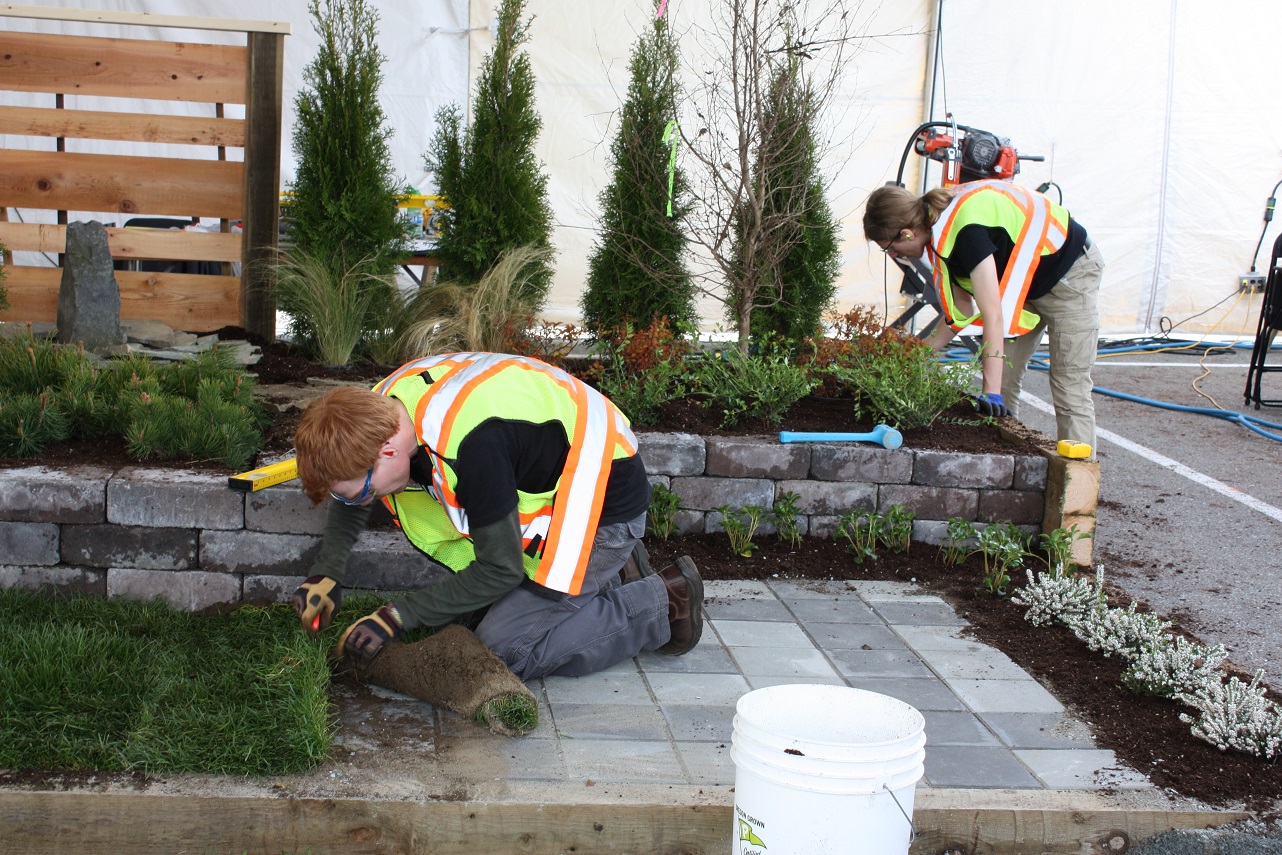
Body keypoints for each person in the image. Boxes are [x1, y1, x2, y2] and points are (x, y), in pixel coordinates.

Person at [289, 352, 703, 681]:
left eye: (363, 491)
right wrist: (327, 570)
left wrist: (395, 616)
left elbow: (499, 570)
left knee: (499, 651)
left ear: (387, 453)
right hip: (558, 477)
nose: (364, 500)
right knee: (477, 614)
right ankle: (611, 573)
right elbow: (351, 492)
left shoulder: (472, 449)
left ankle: (662, 603)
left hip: (599, 509)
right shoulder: (377, 410)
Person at [863, 180, 1104, 448]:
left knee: (1068, 385)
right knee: (1003, 380)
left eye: (889, 248)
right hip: (1026, 287)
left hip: (1070, 276)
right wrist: (918, 352)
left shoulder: (965, 232)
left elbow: (993, 317)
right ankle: (1006, 470)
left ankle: (1078, 480)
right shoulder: (937, 233)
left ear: (907, 233)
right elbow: (963, 309)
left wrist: (990, 393)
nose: (893, 254)